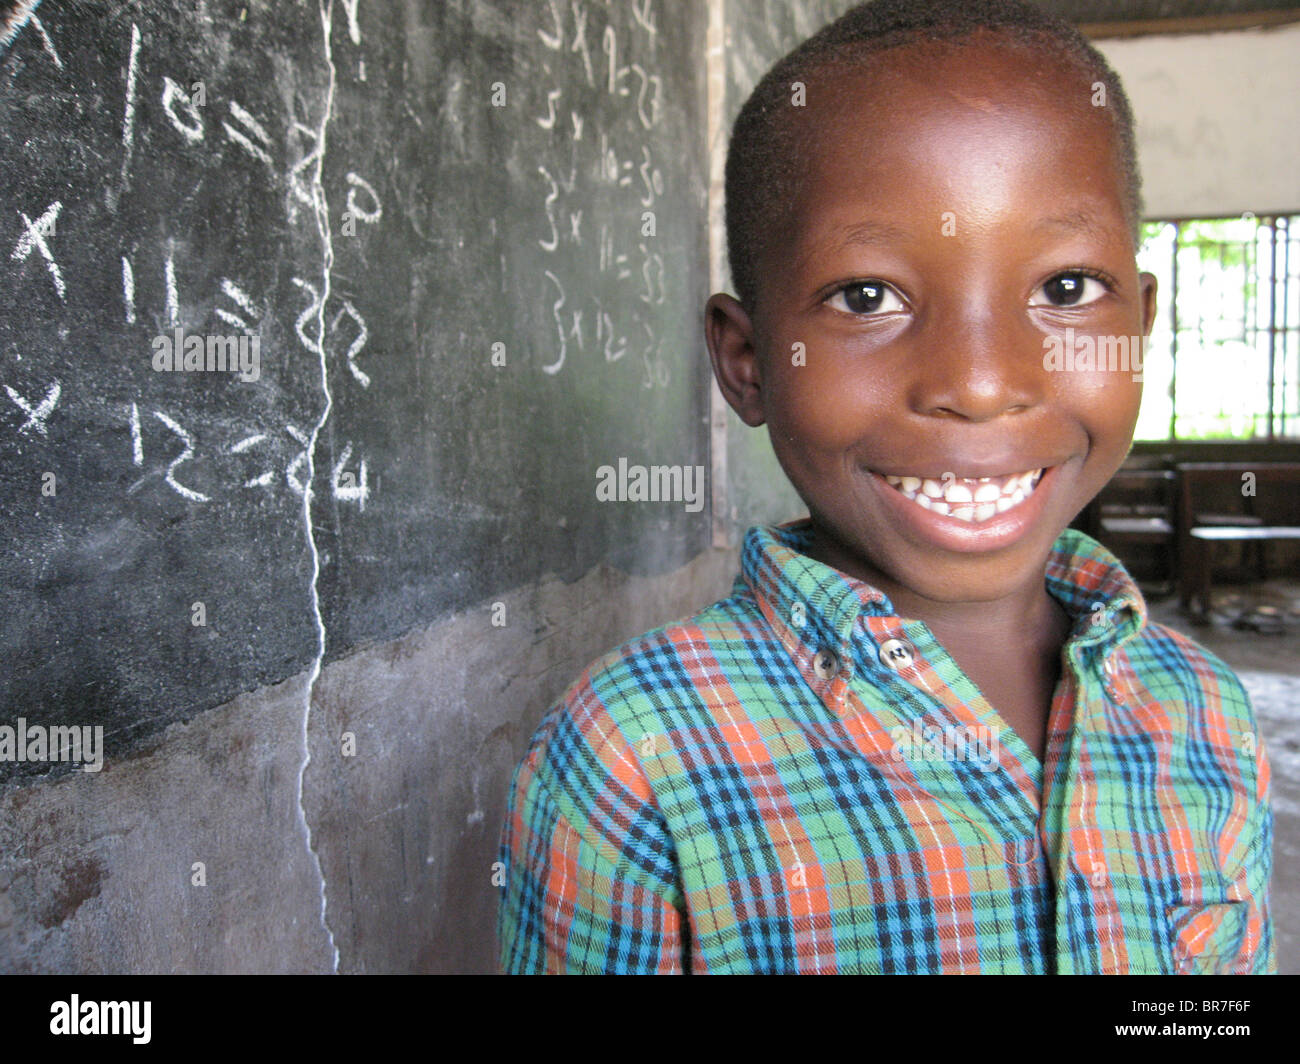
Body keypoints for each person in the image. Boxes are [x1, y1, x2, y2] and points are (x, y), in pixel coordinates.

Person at [497, 0, 1274, 973]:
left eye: (1066, 289)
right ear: (747, 361)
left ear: (1140, 322)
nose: (982, 381)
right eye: (866, 296)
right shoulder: (631, 763)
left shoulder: (1202, 708)